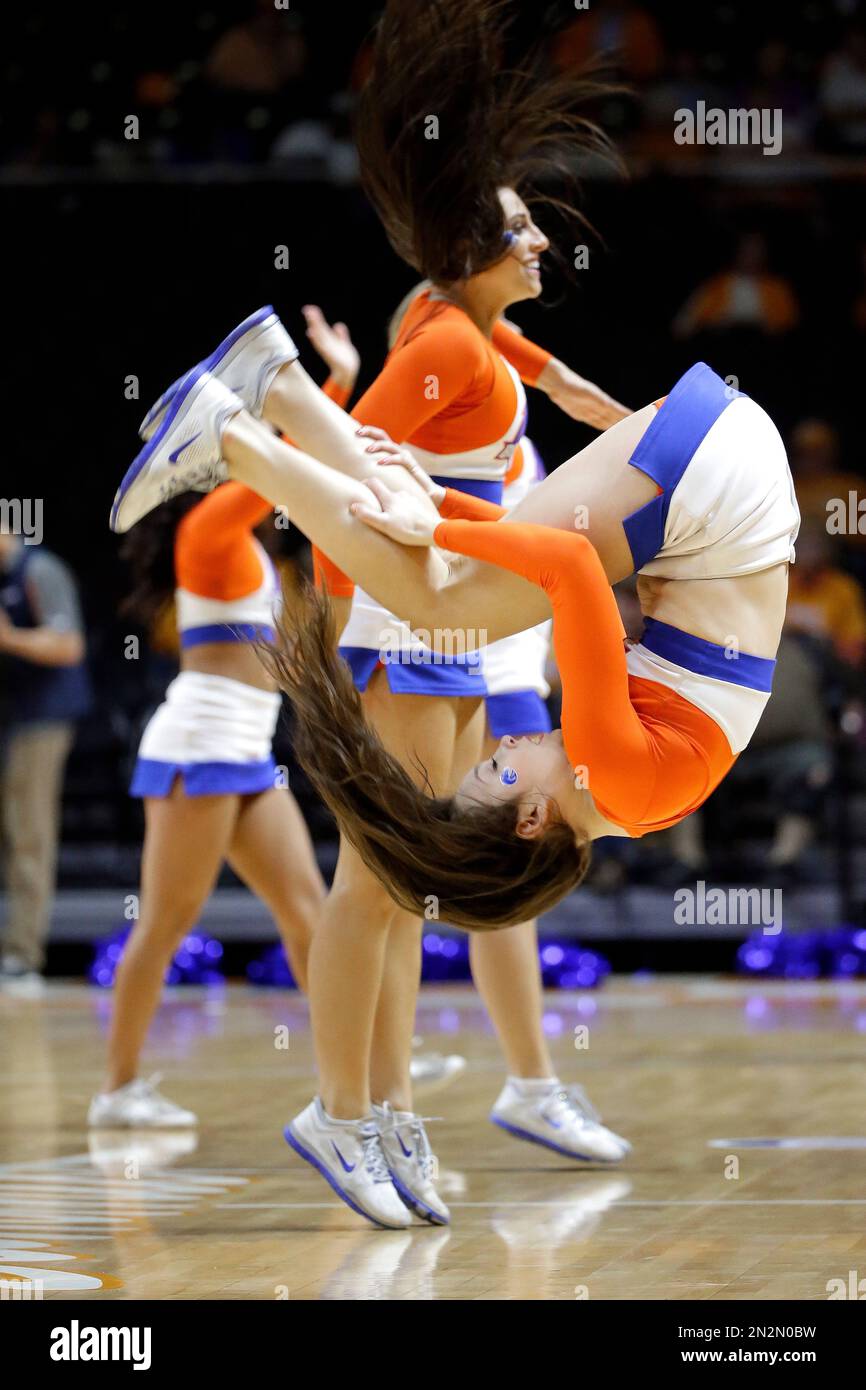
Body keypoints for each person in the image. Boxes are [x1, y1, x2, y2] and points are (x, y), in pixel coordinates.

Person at [0, 529, 92, 991]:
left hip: (43, 720)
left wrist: (11, 638)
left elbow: (69, 645)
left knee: (27, 832)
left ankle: (22, 959)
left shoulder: (40, 570)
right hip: (10, 715)